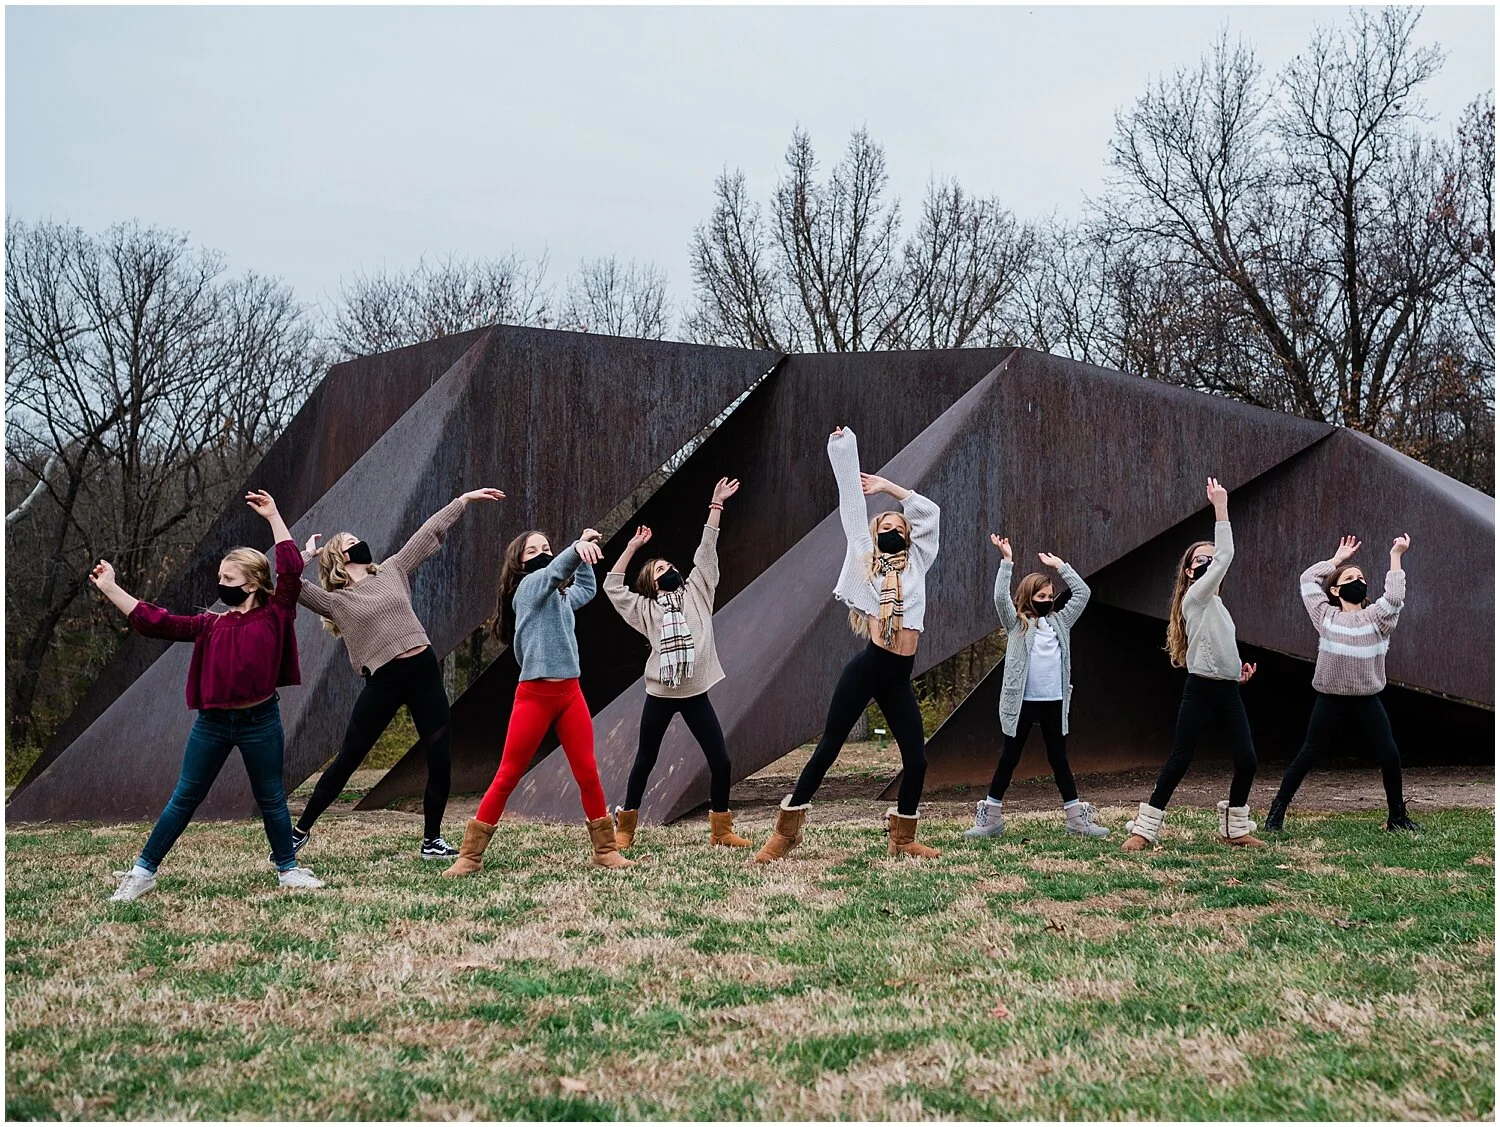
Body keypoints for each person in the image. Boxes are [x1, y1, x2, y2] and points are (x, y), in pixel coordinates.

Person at [92, 490, 323, 901]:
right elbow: (155, 622)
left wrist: (273, 516)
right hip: (213, 725)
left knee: (271, 796)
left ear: (252, 583)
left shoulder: (275, 613)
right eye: (220, 579)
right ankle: (143, 872)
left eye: (229, 580)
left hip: (261, 721)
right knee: (185, 797)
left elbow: (288, 568)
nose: (221, 585)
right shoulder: (209, 625)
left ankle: (288, 869)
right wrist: (111, 587)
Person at [755, 426, 941, 864]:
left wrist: (888, 487)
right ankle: (786, 832)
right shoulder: (865, 559)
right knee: (830, 747)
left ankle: (903, 837)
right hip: (870, 666)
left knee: (917, 759)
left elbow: (929, 512)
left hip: (899, 677)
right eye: (887, 526)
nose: (894, 529)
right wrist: (845, 450)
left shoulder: (918, 562)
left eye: (900, 526)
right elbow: (853, 511)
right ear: (877, 535)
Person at [291, 488, 506, 861]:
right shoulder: (335, 601)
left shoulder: (392, 569)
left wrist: (462, 501)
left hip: (423, 671)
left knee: (440, 756)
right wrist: (306, 555)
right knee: (349, 758)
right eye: (354, 543)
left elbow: (426, 534)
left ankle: (431, 841)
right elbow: (288, 585)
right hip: (385, 681)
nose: (363, 545)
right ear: (340, 557)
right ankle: (298, 832)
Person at [445, 526, 633, 876]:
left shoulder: (559, 598)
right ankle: (469, 856)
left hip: (570, 694)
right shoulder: (528, 589)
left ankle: (605, 850)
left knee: (588, 772)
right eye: (533, 550)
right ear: (518, 563)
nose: (543, 553)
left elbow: (586, 589)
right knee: (508, 774)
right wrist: (576, 548)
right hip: (535, 696)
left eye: (546, 547)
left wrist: (587, 548)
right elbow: (554, 572)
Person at [606, 478, 754, 851]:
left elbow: (706, 552)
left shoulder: (698, 592)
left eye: (670, 566)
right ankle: (625, 828)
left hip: (694, 691)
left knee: (720, 760)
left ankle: (721, 830)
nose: (669, 571)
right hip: (660, 693)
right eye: (659, 571)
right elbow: (612, 587)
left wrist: (715, 505)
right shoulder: (645, 610)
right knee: (645, 760)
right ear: (652, 585)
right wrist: (632, 547)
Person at [1122, 478, 1265, 852]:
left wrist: (1237, 673)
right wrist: (1221, 506)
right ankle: (1144, 830)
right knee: (1180, 760)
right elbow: (1227, 555)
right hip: (1200, 690)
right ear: (1190, 572)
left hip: (1228, 690)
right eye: (1204, 559)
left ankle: (1235, 829)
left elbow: (1218, 648)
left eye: (1211, 558)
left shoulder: (1218, 606)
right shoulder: (1196, 597)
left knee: (1247, 760)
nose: (1212, 561)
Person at [1265, 533, 1419, 833]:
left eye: (1360, 577)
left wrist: (1396, 556)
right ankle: (1276, 815)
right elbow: (1308, 578)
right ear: (1335, 590)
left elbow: (1395, 597)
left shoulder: (1378, 618)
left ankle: (1397, 819)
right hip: (1330, 700)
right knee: (1308, 753)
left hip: (1366, 700)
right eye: (1349, 577)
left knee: (1390, 755)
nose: (1357, 580)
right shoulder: (1325, 615)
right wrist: (1337, 560)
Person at [964, 536, 1109, 839]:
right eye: (1040, 596)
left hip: (1054, 701)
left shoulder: (1061, 622)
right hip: (1022, 704)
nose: (1046, 601)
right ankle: (990, 818)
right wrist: (1007, 562)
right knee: (1009, 757)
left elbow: (1082, 594)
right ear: (1029, 598)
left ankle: (1076, 818)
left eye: (1050, 596)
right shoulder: (1016, 625)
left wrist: (1061, 567)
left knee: (1059, 758)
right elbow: (1000, 599)